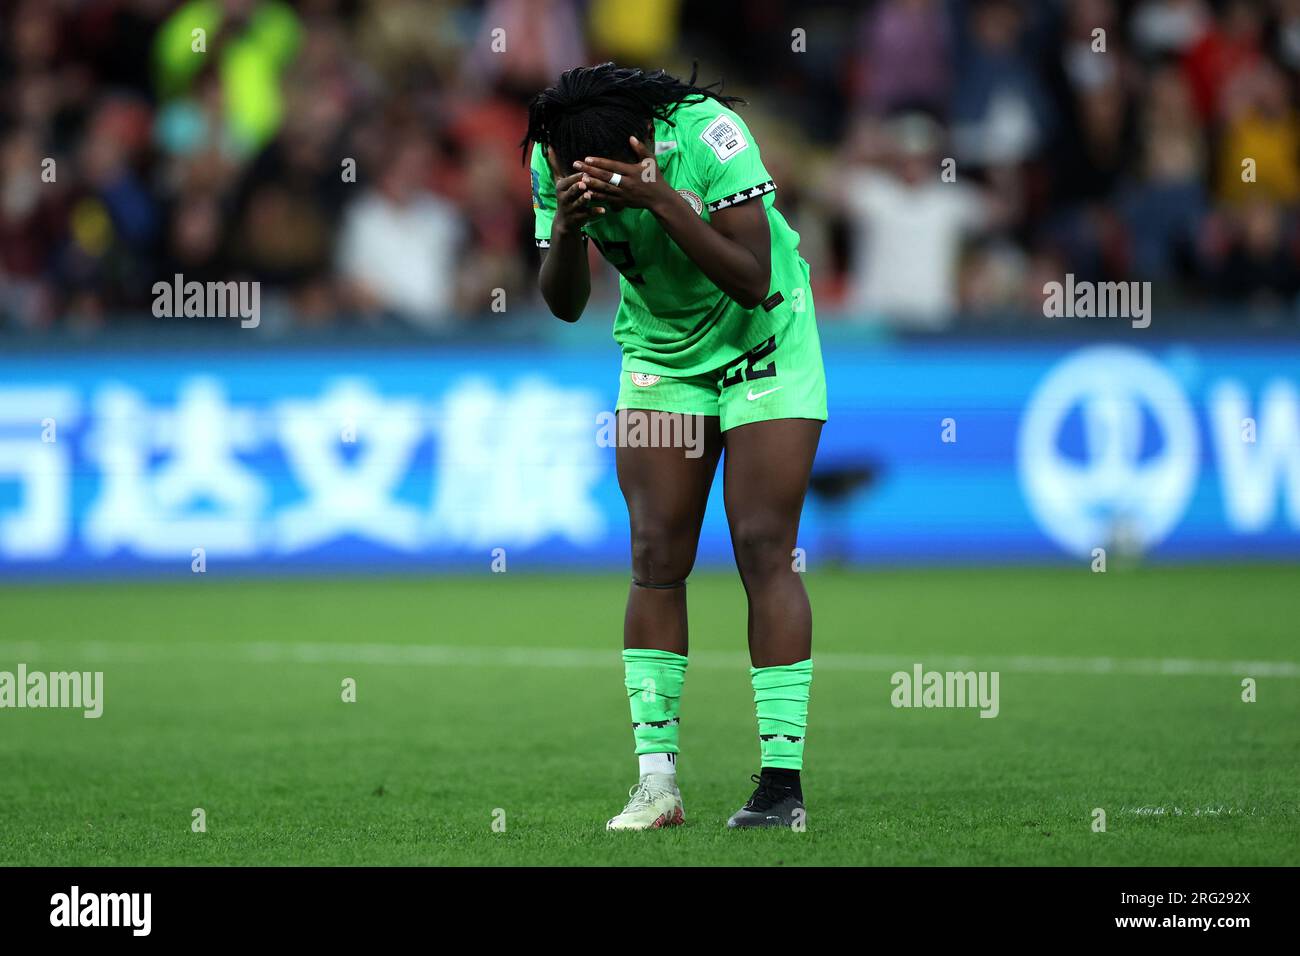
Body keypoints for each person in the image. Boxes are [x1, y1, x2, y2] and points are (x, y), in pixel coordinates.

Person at [522, 63, 826, 830]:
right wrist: (565, 228)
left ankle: (781, 785)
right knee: (656, 555)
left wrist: (656, 198)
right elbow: (564, 306)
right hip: (661, 359)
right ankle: (657, 785)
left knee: (762, 543)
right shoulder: (553, 156)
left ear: (644, 138)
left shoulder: (708, 134)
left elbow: (754, 279)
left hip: (765, 342)